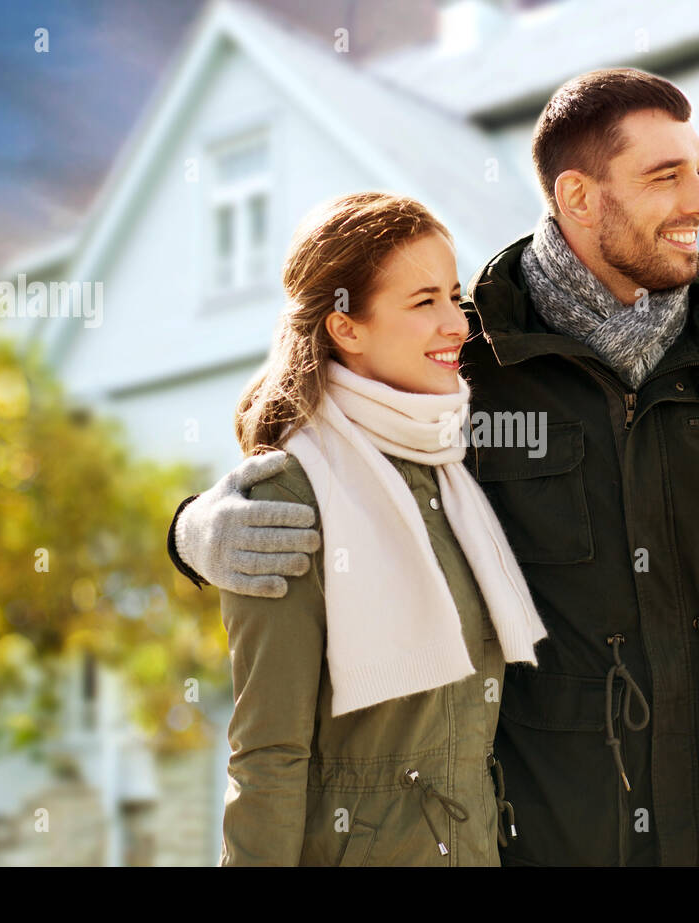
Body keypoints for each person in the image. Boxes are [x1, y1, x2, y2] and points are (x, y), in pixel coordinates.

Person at [176, 68, 699, 866]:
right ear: (578, 196)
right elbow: (333, 445)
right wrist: (194, 530)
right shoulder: (473, 356)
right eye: (666, 177)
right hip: (541, 837)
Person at [214, 191, 547, 866]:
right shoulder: (288, 498)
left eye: (455, 296)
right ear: (347, 328)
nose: (456, 324)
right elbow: (268, 754)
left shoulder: (453, 471)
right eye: (424, 302)